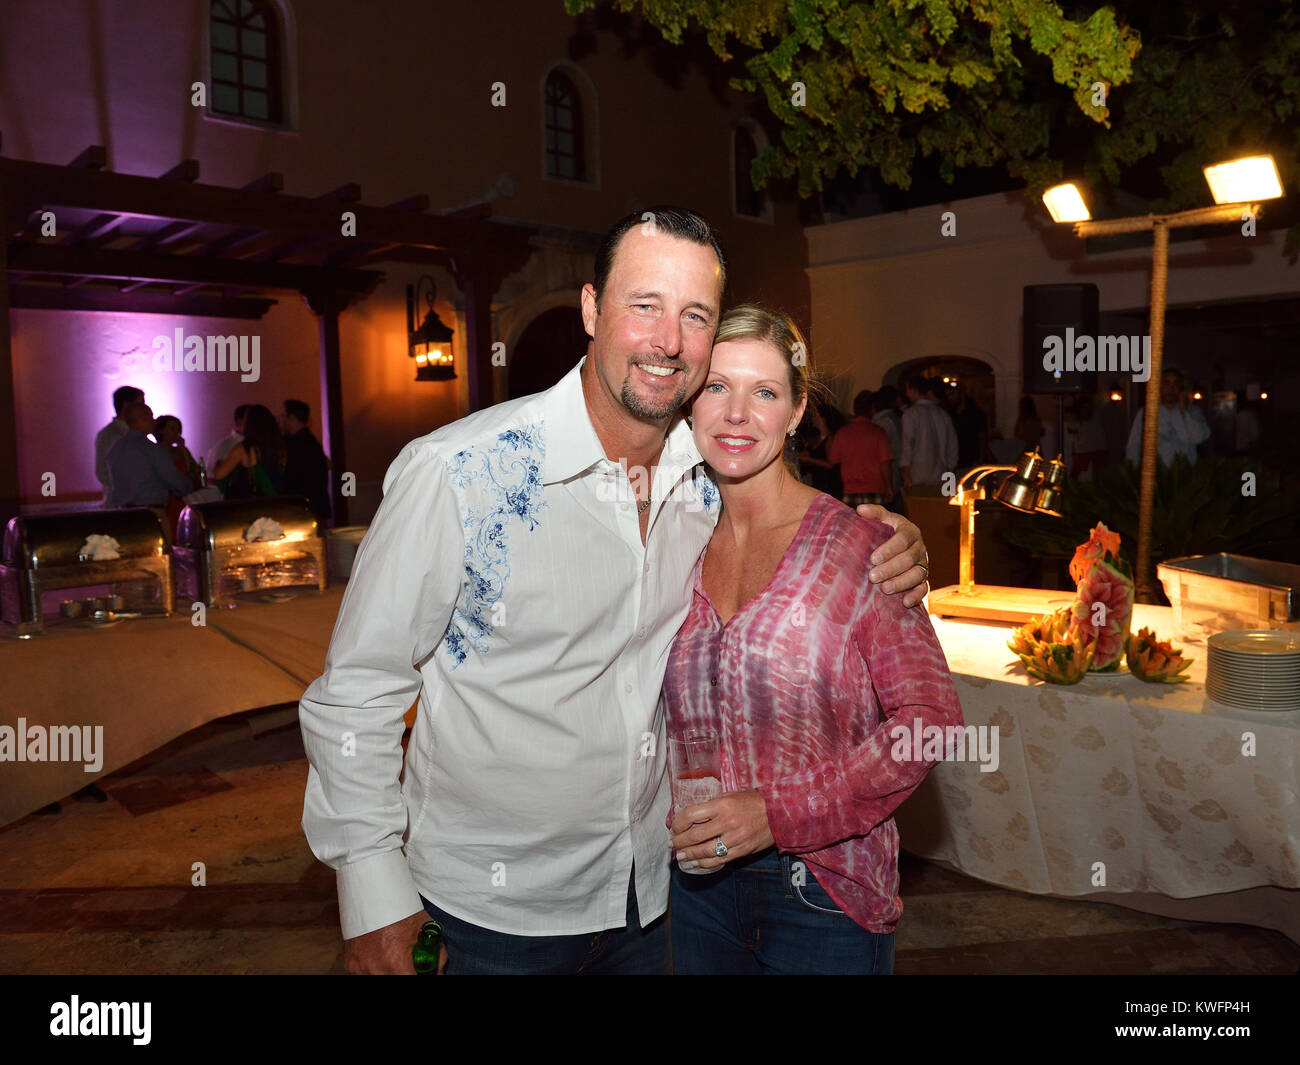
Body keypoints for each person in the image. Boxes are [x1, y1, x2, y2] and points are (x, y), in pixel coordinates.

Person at [297, 206, 932, 976]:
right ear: (593, 309)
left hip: (653, 904)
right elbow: (355, 694)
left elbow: (792, 537)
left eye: (695, 315)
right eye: (645, 305)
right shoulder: (457, 474)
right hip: (489, 916)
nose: (669, 340)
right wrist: (373, 893)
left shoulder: (701, 485)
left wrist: (894, 539)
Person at [663, 306, 961, 974]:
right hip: (693, 886)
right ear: (689, 403)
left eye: (764, 391)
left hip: (824, 891)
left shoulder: (863, 547)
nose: (737, 413)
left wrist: (778, 812)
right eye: (716, 386)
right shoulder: (665, 543)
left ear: (797, 412)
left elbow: (931, 723)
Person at [104, 402, 193, 508]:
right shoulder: (152, 449)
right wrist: (191, 484)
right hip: (151, 513)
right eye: (151, 416)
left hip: (123, 514)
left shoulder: (115, 449)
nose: (154, 421)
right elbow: (176, 482)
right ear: (142, 419)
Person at [1124, 368, 1211, 467]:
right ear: (1159, 386)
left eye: (1175, 383)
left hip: (1186, 473)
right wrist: (1132, 470)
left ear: (1180, 387)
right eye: (1166, 383)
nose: (1171, 388)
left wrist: (1184, 412)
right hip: (1156, 474)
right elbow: (1134, 445)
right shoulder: (1146, 412)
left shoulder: (1193, 411)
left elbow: (1198, 438)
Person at [830, 389, 893, 506]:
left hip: (850, 489)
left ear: (855, 409)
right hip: (875, 488)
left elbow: (833, 459)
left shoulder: (842, 433)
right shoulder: (878, 432)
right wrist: (889, 486)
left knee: (852, 524)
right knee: (876, 524)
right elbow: (885, 463)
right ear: (871, 409)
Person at [213, 404, 285, 497]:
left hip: (249, 505)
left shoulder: (243, 449)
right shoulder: (279, 446)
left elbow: (219, 475)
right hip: (274, 502)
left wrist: (218, 464)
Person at [900, 374, 958, 490]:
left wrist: (906, 475)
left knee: (917, 507)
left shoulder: (911, 414)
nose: (906, 394)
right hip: (941, 475)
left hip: (917, 475)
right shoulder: (942, 414)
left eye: (907, 390)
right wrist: (949, 475)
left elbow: (907, 445)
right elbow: (953, 447)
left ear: (914, 390)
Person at [281, 399, 332, 521]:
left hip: (302, 510)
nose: (281, 420)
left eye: (283, 416)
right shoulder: (311, 442)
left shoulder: (295, 444)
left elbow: (293, 479)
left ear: (292, 418)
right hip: (313, 507)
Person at [153, 415, 200, 537]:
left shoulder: (180, 450)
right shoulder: (157, 451)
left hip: (184, 497)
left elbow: (194, 469)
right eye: (172, 428)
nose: (176, 433)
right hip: (169, 498)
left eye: (178, 429)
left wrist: (183, 449)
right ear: (161, 430)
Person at [94, 385, 144, 498]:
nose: (144, 408)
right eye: (140, 404)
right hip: (119, 504)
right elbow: (102, 471)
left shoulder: (138, 433)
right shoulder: (108, 435)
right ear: (126, 405)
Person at [793, 401, 842, 498]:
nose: (813, 418)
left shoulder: (831, 438)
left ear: (823, 419)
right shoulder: (815, 438)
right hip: (815, 484)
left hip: (828, 485)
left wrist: (810, 460)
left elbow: (830, 464)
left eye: (816, 415)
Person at [952, 384, 989, 474]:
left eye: (953, 394)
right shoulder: (952, 413)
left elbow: (982, 436)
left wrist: (980, 457)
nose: (951, 397)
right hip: (956, 460)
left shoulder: (975, 414)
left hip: (971, 459)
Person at [206, 405, 250, 475]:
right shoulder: (223, 447)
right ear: (239, 421)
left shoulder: (254, 445)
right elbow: (214, 476)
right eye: (251, 420)